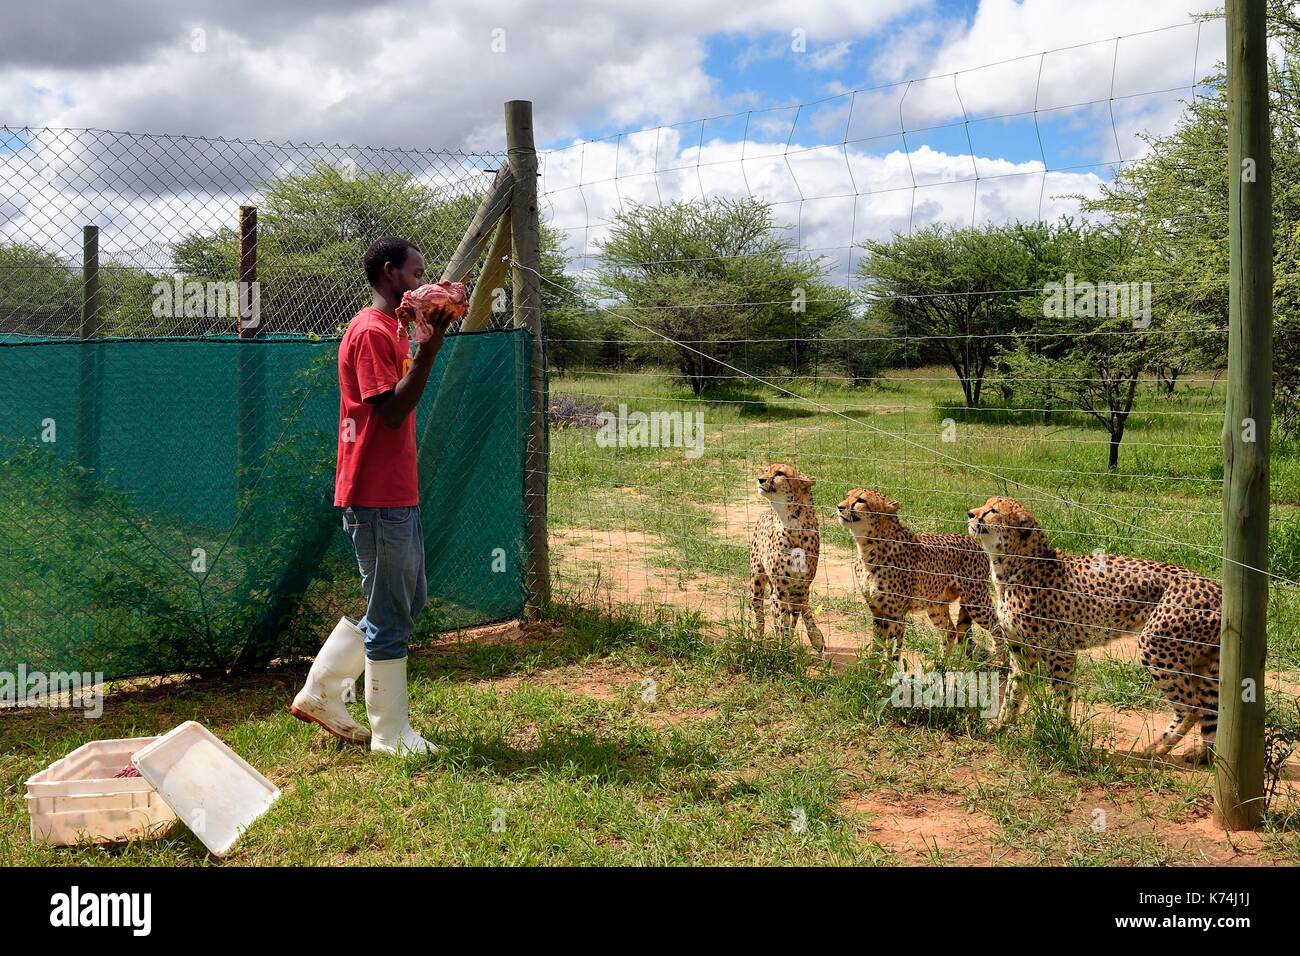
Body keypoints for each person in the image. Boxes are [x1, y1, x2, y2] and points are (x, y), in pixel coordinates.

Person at [289, 235, 455, 755]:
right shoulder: (369, 332)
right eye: (415, 273)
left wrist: (423, 338)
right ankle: (390, 734)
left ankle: (321, 691)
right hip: (376, 495)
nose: (422, 283)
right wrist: (429, 351)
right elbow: (389, 411)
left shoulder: (393, 331)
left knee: (407, 602)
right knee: (390, 613)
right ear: (389, 274)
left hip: (395, 493)